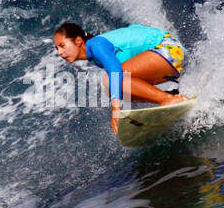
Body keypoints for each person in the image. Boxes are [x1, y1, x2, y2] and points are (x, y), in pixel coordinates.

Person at [52, 22, 187, 135]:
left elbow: (116, 71)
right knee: (113, 89)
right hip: (172, 59)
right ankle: (170, 96)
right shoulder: (97, 52)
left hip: (169, 50)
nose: (59, 52)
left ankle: (168, 99)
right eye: (57, 48)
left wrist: (116, 109)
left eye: (62, 46)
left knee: (111, 81)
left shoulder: (96, 44)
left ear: (78, 41)